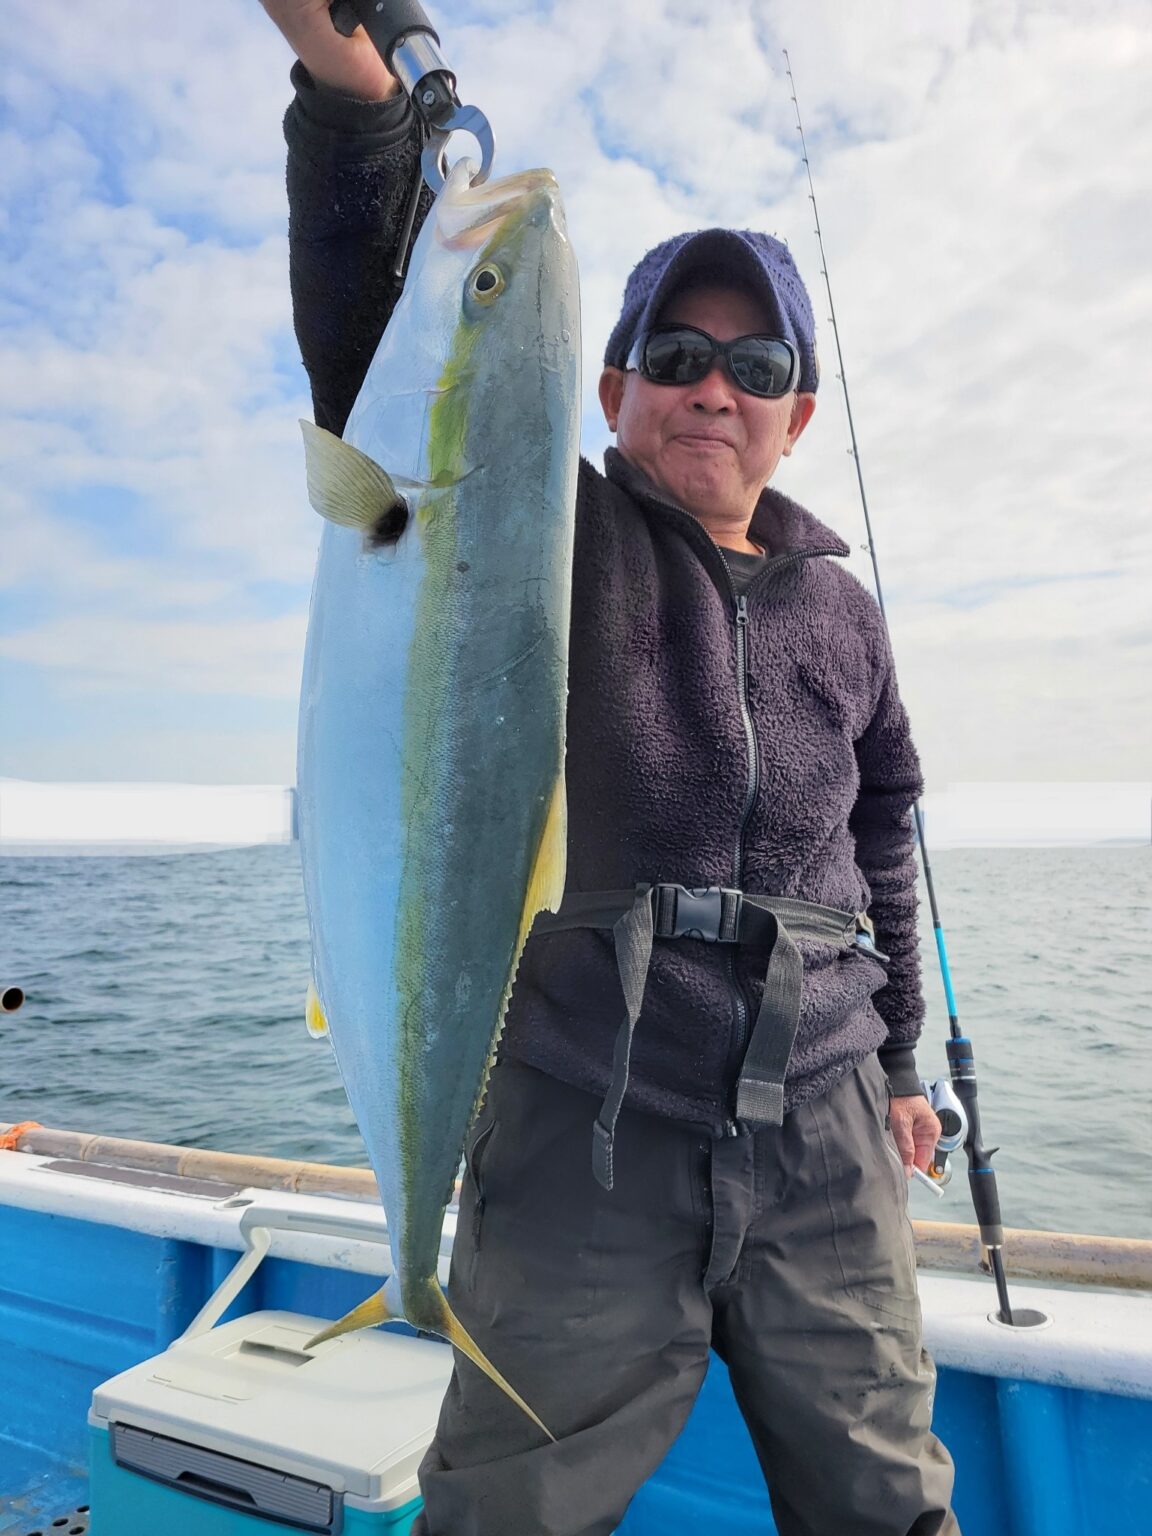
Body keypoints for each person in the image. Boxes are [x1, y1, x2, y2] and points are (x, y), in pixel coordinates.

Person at [261, 5, 959, 1532]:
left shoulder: (843, 614)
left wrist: (902, 1066)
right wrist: (355, 100)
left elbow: (885, 832)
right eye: (677, 355)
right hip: (587, 1115)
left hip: (827, 1127)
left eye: (754, 363)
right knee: (512, 1510)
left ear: (796, 414)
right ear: (610, 393)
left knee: (889, 1503)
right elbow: (383, 347)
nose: (714, 386)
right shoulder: (539, 534)